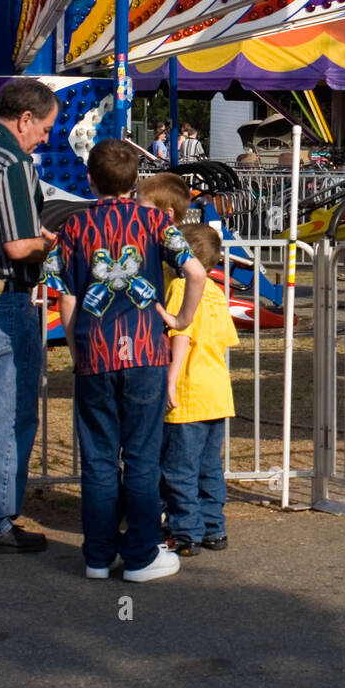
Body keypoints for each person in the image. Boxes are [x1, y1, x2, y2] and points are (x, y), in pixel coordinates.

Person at [45, 139, 206, 582]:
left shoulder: (74, 228)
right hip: (145, 350)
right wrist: (180, 318)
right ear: (136, 180)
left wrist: (78, 350)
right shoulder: (155, 221)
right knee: (141, 456)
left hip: (95, 349)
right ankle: (139, 557)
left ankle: (97, 556)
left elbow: (67, 295)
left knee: (98, 459)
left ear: (90, 179)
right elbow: (195, 271)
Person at [0, 78, 60, 553]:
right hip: (4, 300)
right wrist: (50, 243)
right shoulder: (14, 162)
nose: (46, 138)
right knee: (9, 415)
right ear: (24, 120)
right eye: (45, 128)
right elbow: (18, 246)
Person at [161, 224, 239, 555]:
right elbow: (226, 339)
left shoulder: (181, 287)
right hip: (217, 391)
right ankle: (213, 528)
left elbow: (181, 332)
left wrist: (170, 379)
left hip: (188, 389)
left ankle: (185, 531)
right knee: (209, 467)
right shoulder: (216, 291)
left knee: (180, 468)